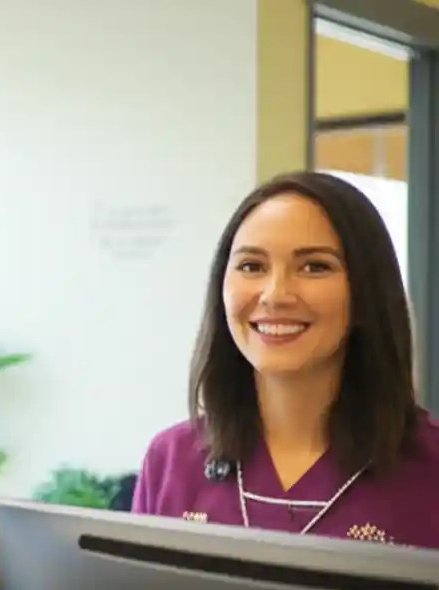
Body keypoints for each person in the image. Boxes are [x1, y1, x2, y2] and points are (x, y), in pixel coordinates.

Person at [131, 170, 439, 550]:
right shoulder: (171, 462)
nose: (275, 295)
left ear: (366, 292)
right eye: (252, 266)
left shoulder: (430, 471)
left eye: (314, 266)